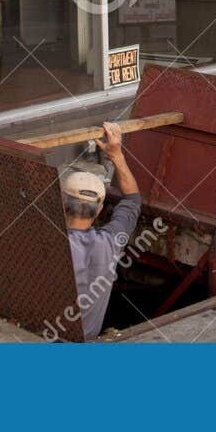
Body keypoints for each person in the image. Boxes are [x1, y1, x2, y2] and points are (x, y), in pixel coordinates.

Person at [62, 121, 141, 340]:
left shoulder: (51, 243)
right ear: (98, 211)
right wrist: (117, 155)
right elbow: (133, 201)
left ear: (61, 204)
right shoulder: (110, 242)